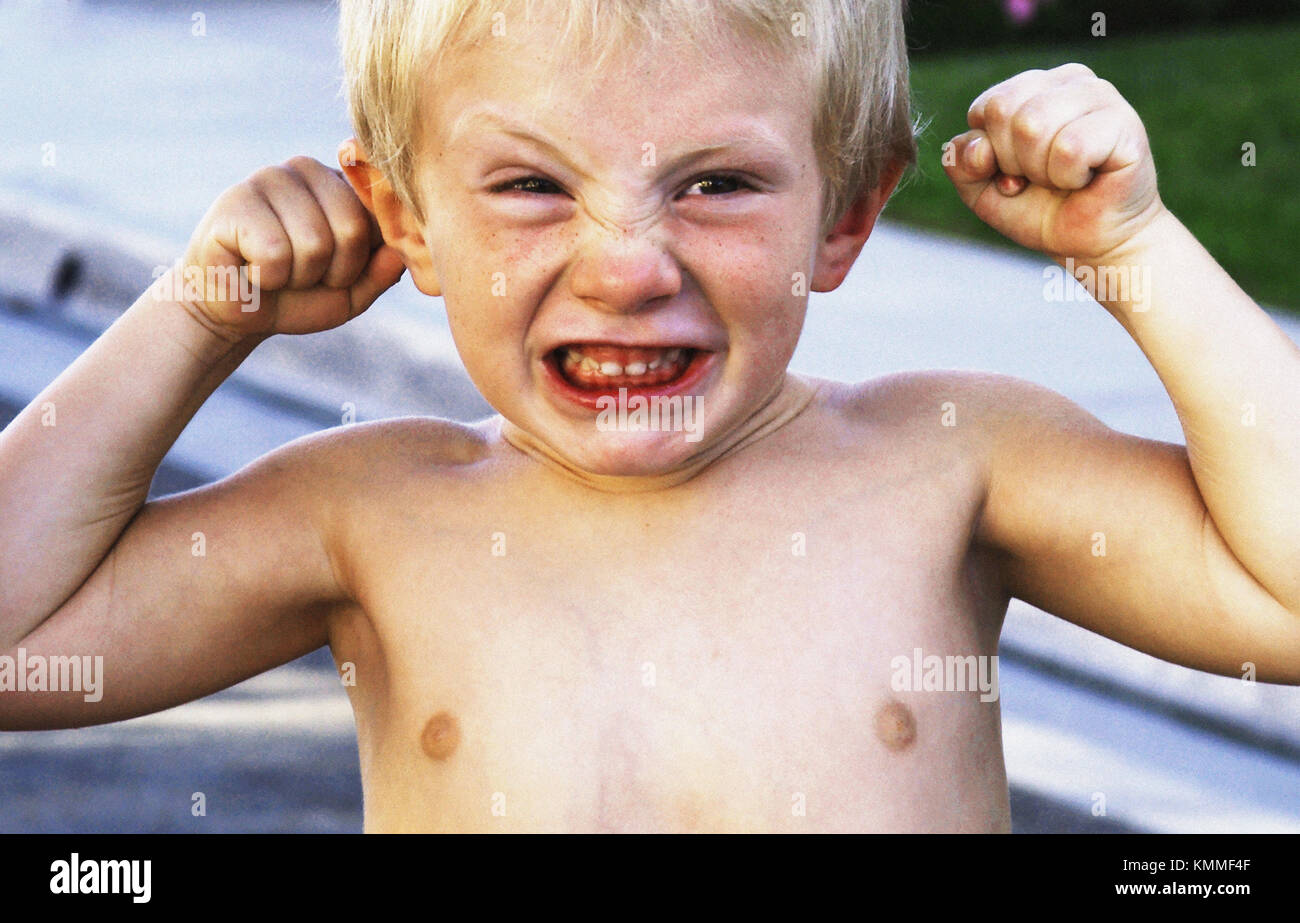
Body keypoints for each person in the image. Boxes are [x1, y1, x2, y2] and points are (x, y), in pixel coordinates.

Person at [1, 0, 1296, 832]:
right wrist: (194, 315)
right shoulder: (370, 514)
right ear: (406, 219)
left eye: (718, 183)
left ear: (846, 215)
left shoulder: (951, 464)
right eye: (529, 186)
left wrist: (1135, 249)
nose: (627, 266)